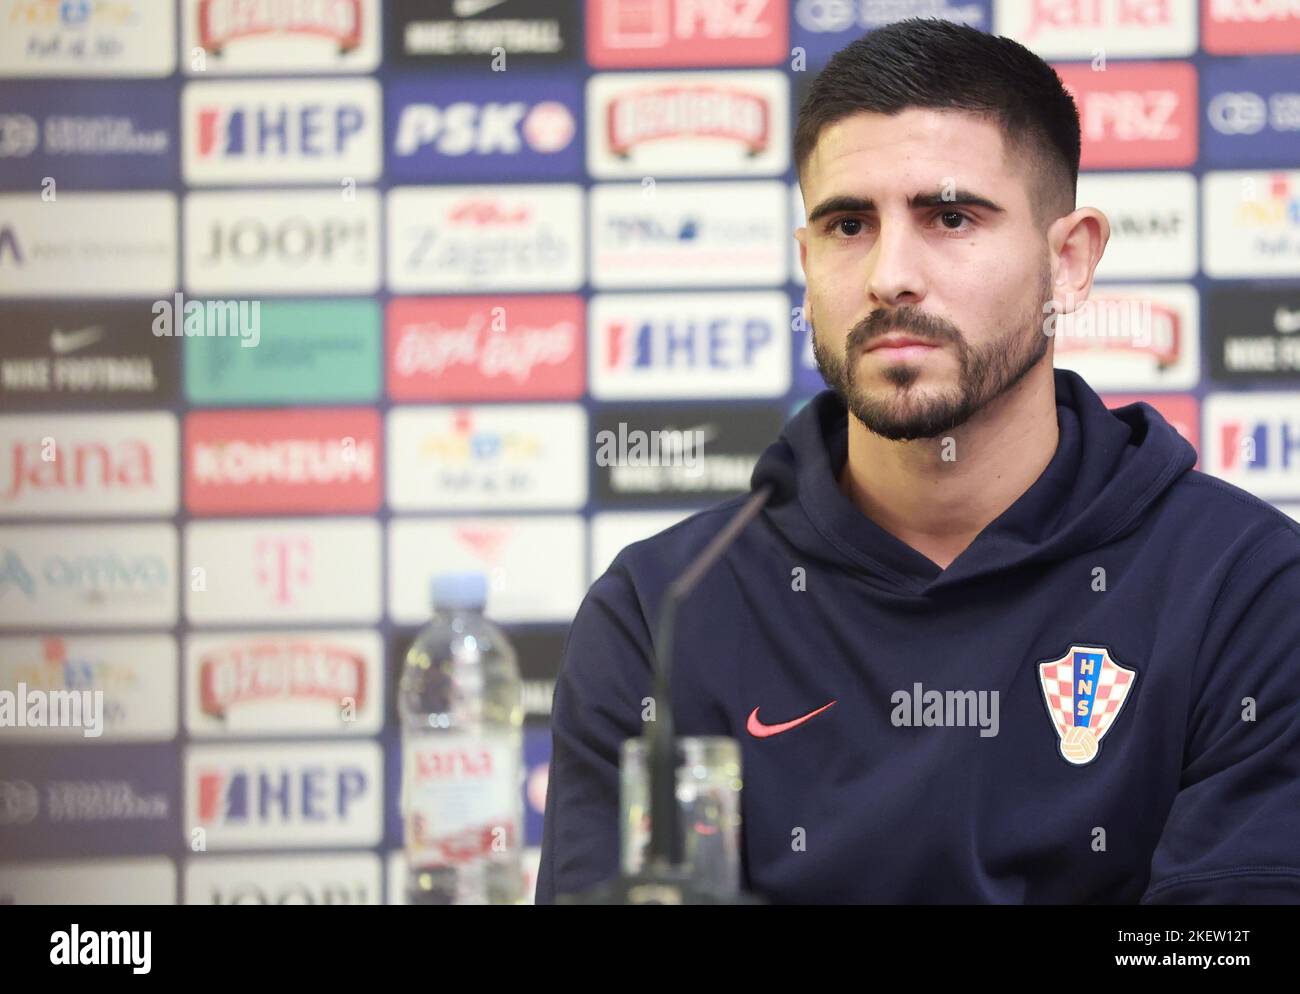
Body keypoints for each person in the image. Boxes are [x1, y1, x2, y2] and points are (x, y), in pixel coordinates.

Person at [537, 18, 1300, 903]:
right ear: (805, 262)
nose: (890, 274)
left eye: (950, 217)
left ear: (1070, 261)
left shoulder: (1246, 590)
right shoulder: (660, 611)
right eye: (848, 224)